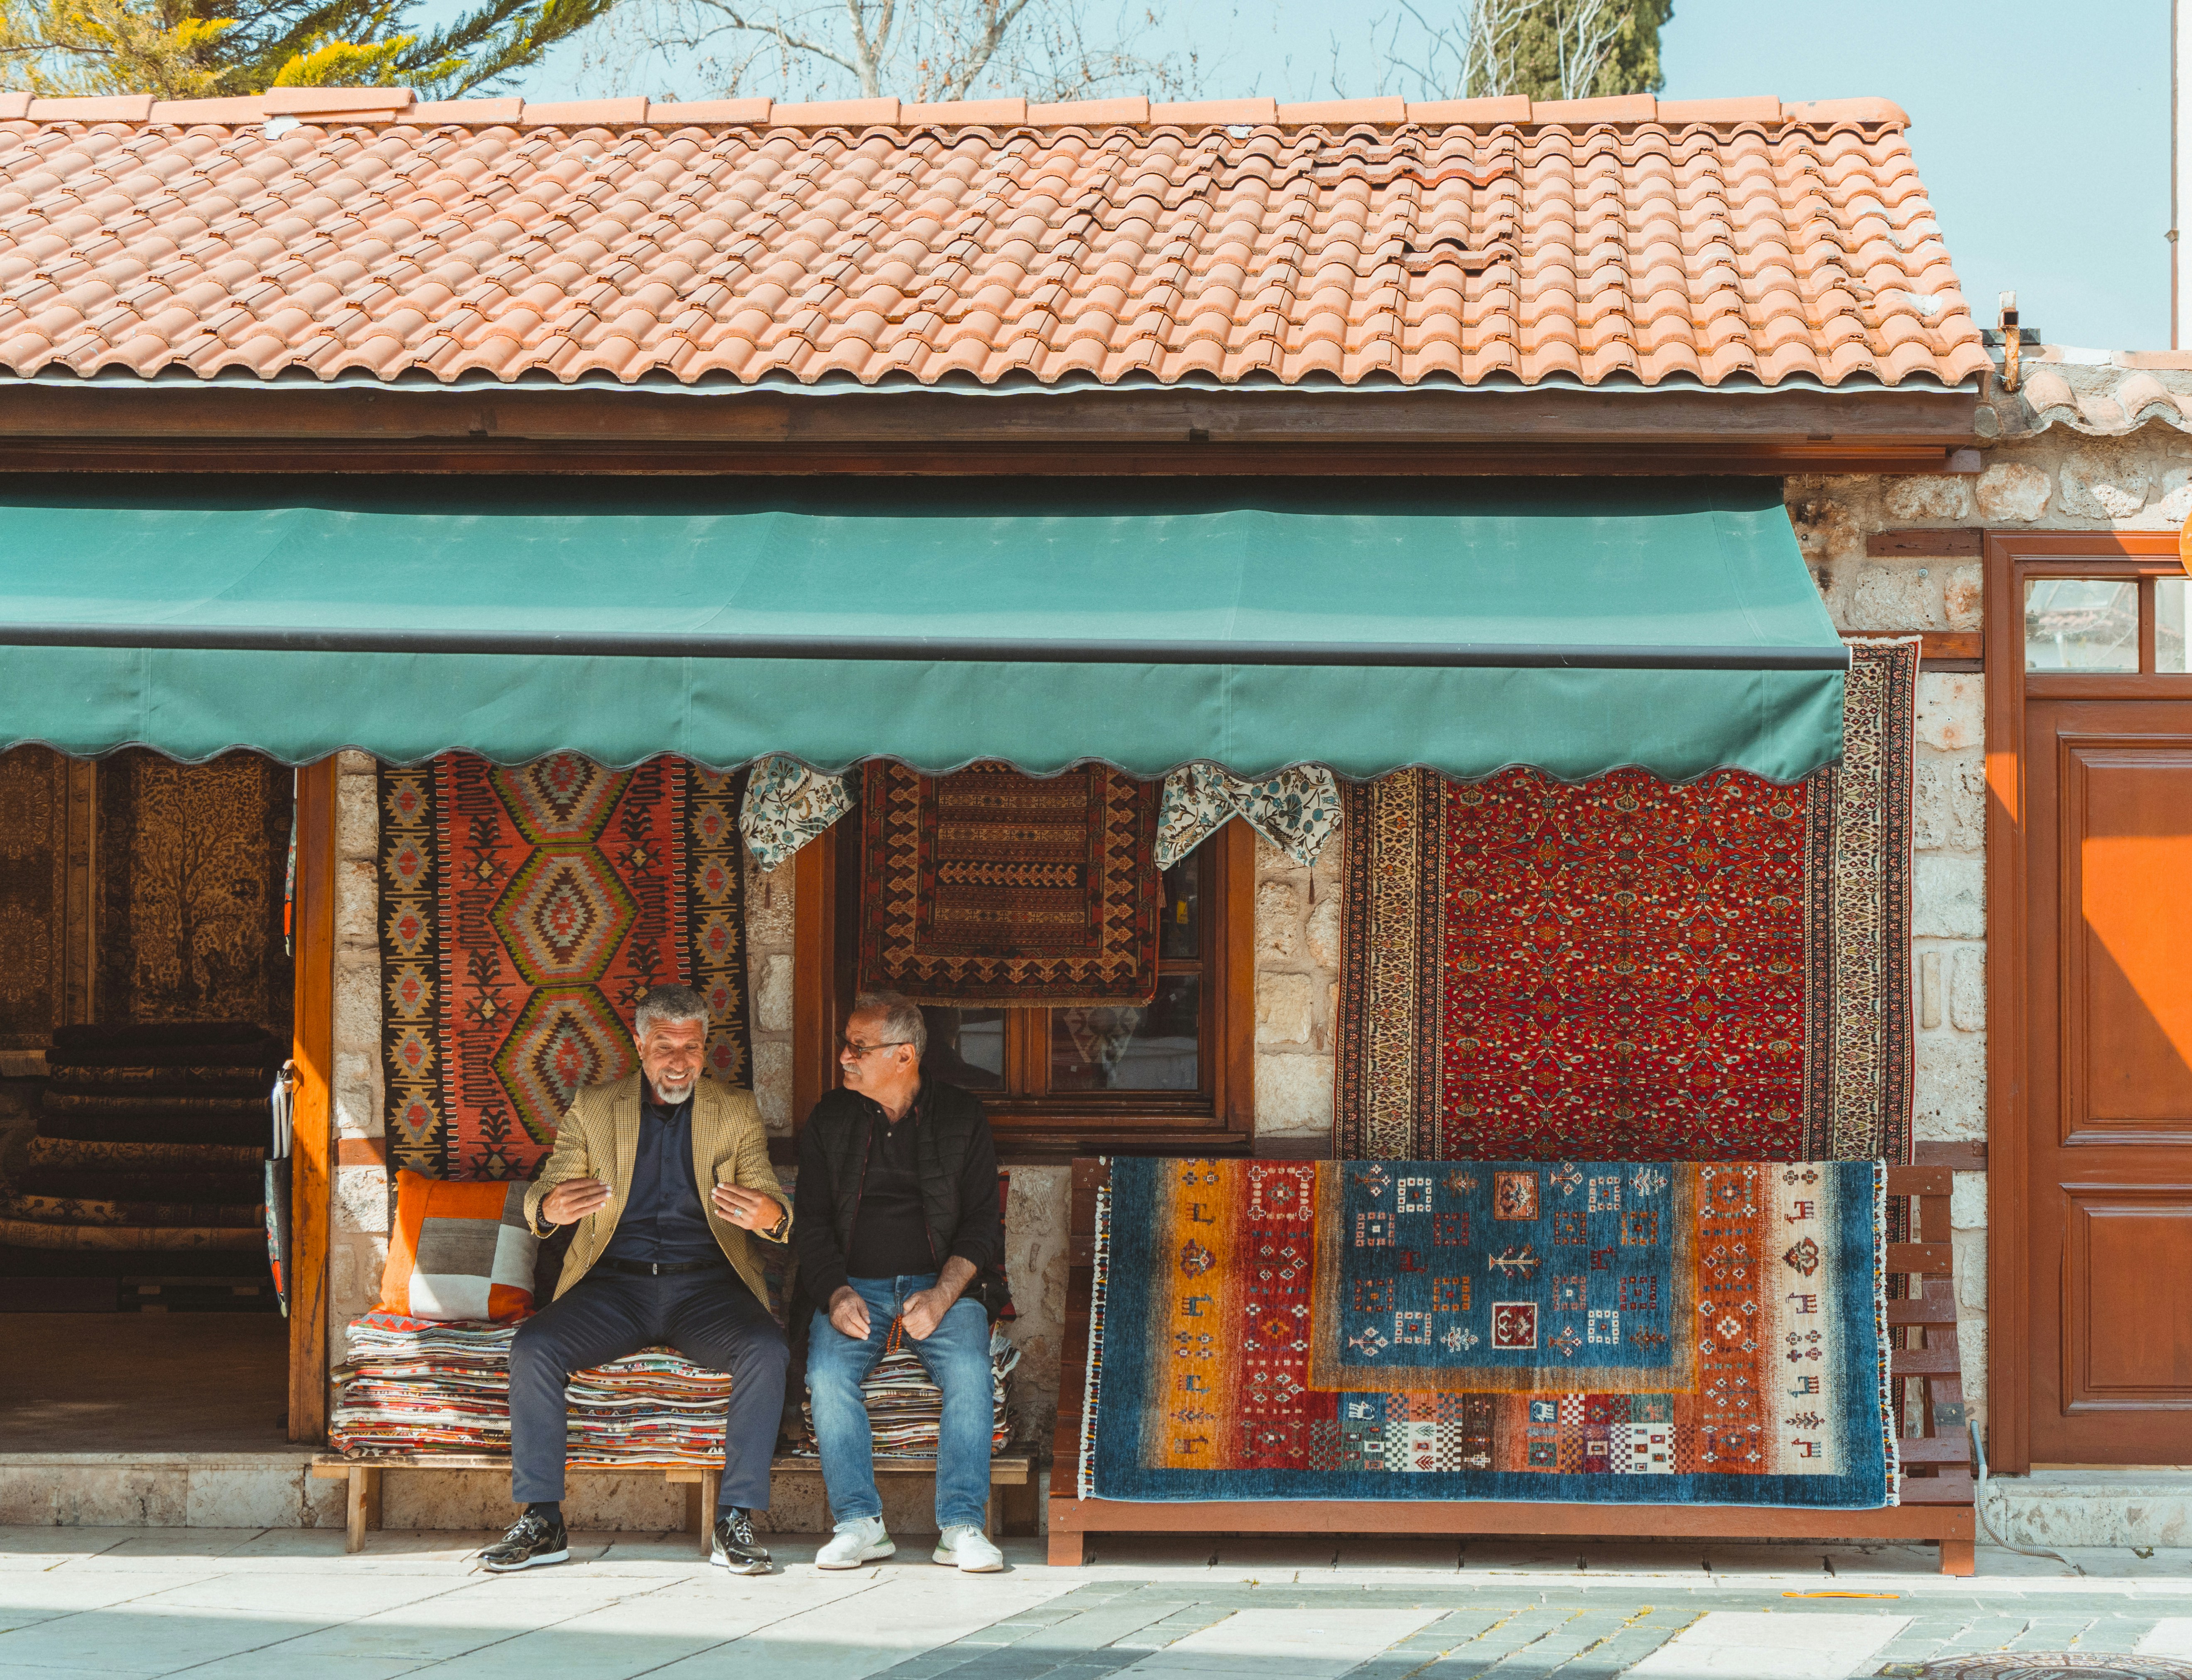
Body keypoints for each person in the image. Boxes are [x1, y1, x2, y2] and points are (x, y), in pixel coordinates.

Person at [479, 983, 791, 1575]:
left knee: (766, 1348)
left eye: (691, 1046)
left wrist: (769, 1215)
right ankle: (543, 1519)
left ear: (705, 1047)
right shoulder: (595, 1106)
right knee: (534, 1347)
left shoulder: (734, 1108)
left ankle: (735, 1519)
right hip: (613, 1289)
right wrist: (551, 1210)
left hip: (706, 1288)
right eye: (666, 1046)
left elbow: (769, 1193)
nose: (679, 1061)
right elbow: (547, 1188)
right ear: (640, 1044)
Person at [796, 989, 1010, 1573]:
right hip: (853, 1287)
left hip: (940, 1286)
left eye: (858, 1047)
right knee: (826, 1374)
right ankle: (859, 1524)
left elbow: (980, 1226)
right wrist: (834, 1292)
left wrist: (943, 1295)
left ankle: (961, 1526)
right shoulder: (831, 1118)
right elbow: (809, 1222)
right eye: (847, 1043)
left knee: (969, 1371)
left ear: (904, 1055)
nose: (844, 1056)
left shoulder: (961, 1116)